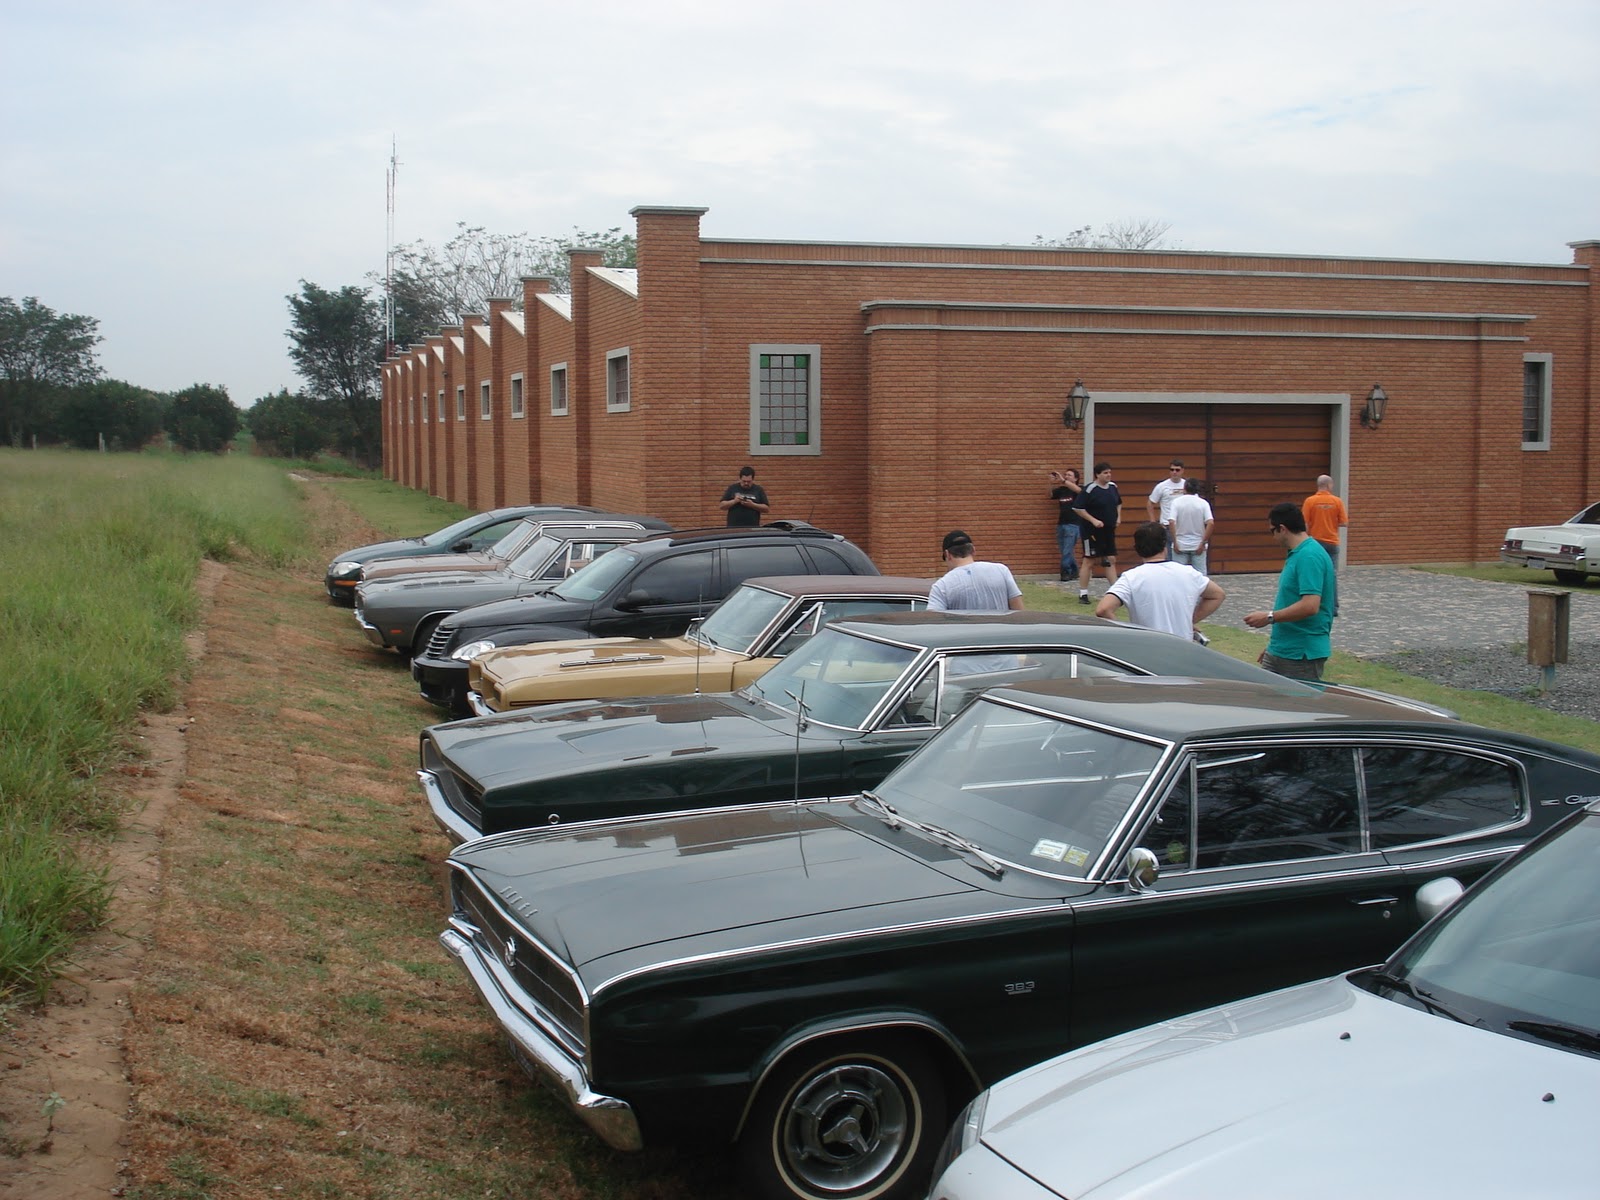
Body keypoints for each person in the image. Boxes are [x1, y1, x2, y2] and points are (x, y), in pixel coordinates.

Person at [1243, 502, 1336, 680]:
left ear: (1282, 529)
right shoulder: (1297, 553)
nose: (1272, 537)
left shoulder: (1309, 556)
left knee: (1296, 705)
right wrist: (1274, 646)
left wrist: (1269, 617)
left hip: (1301, 654)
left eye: (1272, 531)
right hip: (1281, 648)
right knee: (1264, 702)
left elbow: (1310, 606)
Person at [1097, 521, 1224, 640]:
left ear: (1136, 548)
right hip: (1183, 646)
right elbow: (1218, 594)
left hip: (1149, 647)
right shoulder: (1188, 573)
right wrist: (1189, 621)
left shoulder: (1131, 578)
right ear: (1165, 545)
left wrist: (1130, 634)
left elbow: (1103, 609)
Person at [928, 530, 1024, 612]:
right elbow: (1019, 613)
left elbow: (933, 623)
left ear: (947, 554)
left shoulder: (942, 586)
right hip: (1002, 633)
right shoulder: (1002, 570)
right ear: (973, 550)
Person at [1073, 462, 1122, 604]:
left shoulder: (1113, 487)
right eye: (1105, 473)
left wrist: (1118, 517)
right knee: (1089, 560)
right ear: (1098, 474)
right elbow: (1077, 508)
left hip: (1109, 529)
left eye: (1110, 472)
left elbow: (1118, 503)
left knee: (1110, 559)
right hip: (1091, 531)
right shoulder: (1090, 489)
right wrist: (1093, 520)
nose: (1108, 475)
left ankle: (1116, 591)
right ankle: (1083, 594)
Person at [1167, 478, 1214, 574]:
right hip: (1197, 544)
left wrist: (1175, 542)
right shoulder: (1203, 503)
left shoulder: (1176, 502)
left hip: (1180, 544)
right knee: (1200, 576)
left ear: (1184, 488)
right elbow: (1210, 523)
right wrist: (1203, 542)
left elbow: (1171, 522)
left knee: (1178, 575)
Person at [1048, 468, 1084, 583]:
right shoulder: (1062, 490)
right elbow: (1050, 495)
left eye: (1069, 475)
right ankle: (1074, 570)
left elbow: (1079, 491)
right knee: (1065, 550)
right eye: (1066, 475)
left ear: (1076, 478)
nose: (1067, 476)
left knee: (1067, 550)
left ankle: (1065, 573)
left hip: (1073, 525)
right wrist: (1050, 482)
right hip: (1061, 524)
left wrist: (1063, 480)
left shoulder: (1080, 489)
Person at [1302, 475, 1348, 566]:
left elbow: (1305, 523)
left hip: (1315, 541)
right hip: (1332, 541)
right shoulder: (1337, 501)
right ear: (1329, 485)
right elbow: (1344, 523)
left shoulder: (1309, 501)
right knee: (1332, 570)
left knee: (1316, 568)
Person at [1146, 460, 1187, 541]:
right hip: (1167, 526)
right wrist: (1153, 522)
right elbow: (1150, 503)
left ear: (1182, 471)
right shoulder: (1162, 486)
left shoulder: (1187, 485)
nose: (1174, 472)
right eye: (1172, 470)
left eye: (1177, 470)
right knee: (1168, 553)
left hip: (1184, 526)